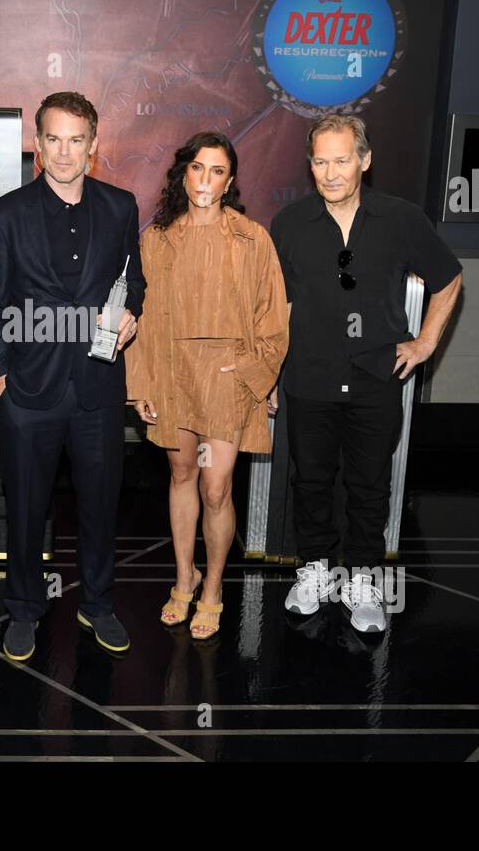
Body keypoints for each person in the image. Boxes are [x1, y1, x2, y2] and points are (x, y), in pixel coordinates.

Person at [272, 114, 462, 634]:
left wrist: (425, 343)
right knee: (309, 480)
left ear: (364, 160)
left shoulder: (402, 219)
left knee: (369, 485)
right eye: (319, 161)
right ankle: (314, 570)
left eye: (340, 160)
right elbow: (277, 308)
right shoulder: (288, 225)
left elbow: (449, 278)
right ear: (309, 164)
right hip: (308, 377)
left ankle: (362, 579)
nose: (330, 172)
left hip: (377, 377)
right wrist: (267, 375)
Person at [0, 91, 145, 661]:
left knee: (101, 506)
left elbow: (135, 280)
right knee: (26, 509)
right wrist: (2, 380)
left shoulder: (122, 207)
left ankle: (97, 604)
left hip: (99, 388)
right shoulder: (4, 215)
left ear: (94, 147)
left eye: (77, 140)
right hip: (28, 391)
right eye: (54, 138)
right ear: (38, 146)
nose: (65, 151)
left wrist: (132, 313)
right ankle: (24, 609)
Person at [126, 132, 289, 640]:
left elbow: (273, 316)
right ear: (184, 173)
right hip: (172, 371)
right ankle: (184, 578)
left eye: (218, 171)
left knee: (216, 486)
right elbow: (144, 318)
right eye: (198, 168)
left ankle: (214, 587)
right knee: (181, 476)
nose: (206, 180)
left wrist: (254, 375)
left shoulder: (252, 238)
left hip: (226, 377)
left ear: (230, 181)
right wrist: (141, 382)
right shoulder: (156, 238)